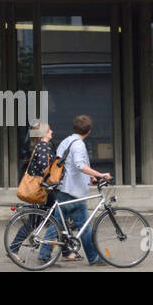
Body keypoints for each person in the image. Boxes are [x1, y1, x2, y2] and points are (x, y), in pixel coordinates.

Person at [43, 114, 112, 266]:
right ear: (89, 131)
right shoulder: (79, 144)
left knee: (59, 225)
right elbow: (80, 165)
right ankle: (93, 258)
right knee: (83, 227)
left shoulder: (66, 141)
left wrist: (90, 178)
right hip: (73, 192)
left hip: (63, 189)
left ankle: (44, 255)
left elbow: (67, 164)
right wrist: (100, 175)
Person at [10, 122, 58, 255]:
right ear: (43, 133)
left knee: (55, 219)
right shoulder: (43, 146)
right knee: (39, 222)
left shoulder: (40, 146)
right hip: (42, 190)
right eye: (49, 131)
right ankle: (14, 249)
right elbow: (45, 168)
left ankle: (65, 251)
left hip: (43, 189)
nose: (51, 132)